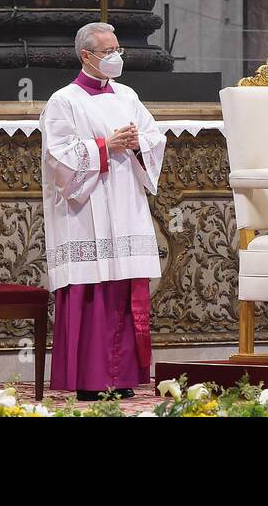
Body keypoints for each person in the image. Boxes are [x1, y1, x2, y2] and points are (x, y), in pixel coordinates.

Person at [40, 22, 164, 400]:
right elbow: (57, 157)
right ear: (86, 56)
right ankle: (89, 381)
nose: (115, 58)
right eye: (107, 52)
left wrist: (136, 142)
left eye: (117, 50)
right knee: (92, 292)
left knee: (124, 291)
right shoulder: (64, 101)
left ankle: (123, 377)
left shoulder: (127, 95)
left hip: (125, 204)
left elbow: (153, 136)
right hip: (87, 212)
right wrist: (103, 146)